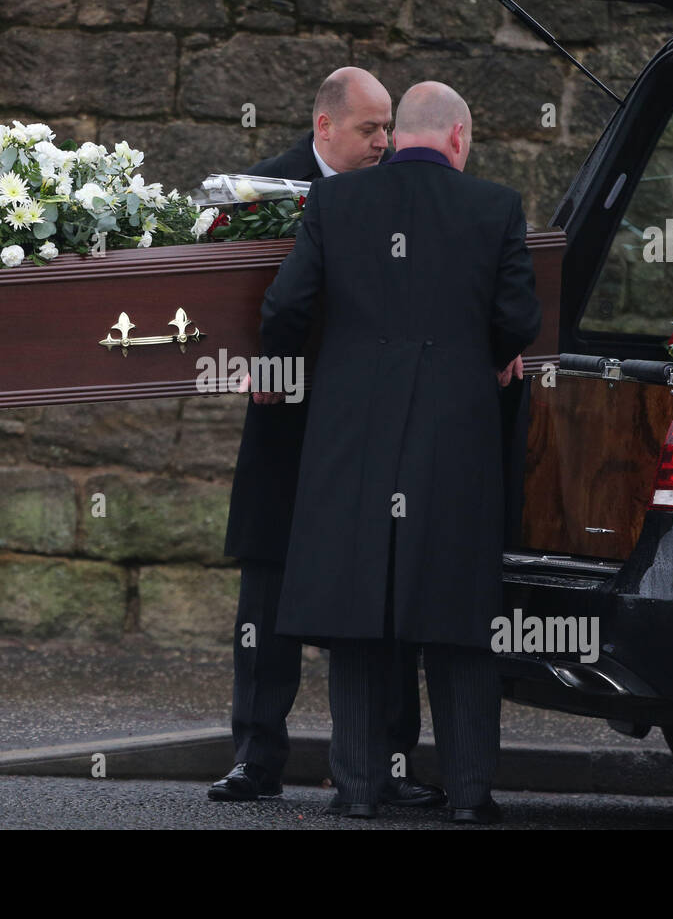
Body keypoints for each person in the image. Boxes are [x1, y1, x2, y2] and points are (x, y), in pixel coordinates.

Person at [258, 81, 540, 823]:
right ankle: (472, 795)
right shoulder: (495, 208)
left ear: (403, 133)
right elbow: (518, 319)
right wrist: (488, 352)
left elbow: (286, 304)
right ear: (456, 139)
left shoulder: (337, 203)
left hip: (353, 434)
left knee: (359, 611)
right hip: (457, 438)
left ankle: (356, 790)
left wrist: (281, 367)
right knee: (457, 614)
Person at [209, 67, 443, 810]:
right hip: (286, 421)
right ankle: (255, 757)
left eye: (389, 128)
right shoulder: (255, 193)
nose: (384, 141)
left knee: (381, 592)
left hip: (372, 421)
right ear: (325, 128)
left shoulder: (404, 187)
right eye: (371, 129)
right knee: (268, 596)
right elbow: (222, 298)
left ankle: (384, 764)